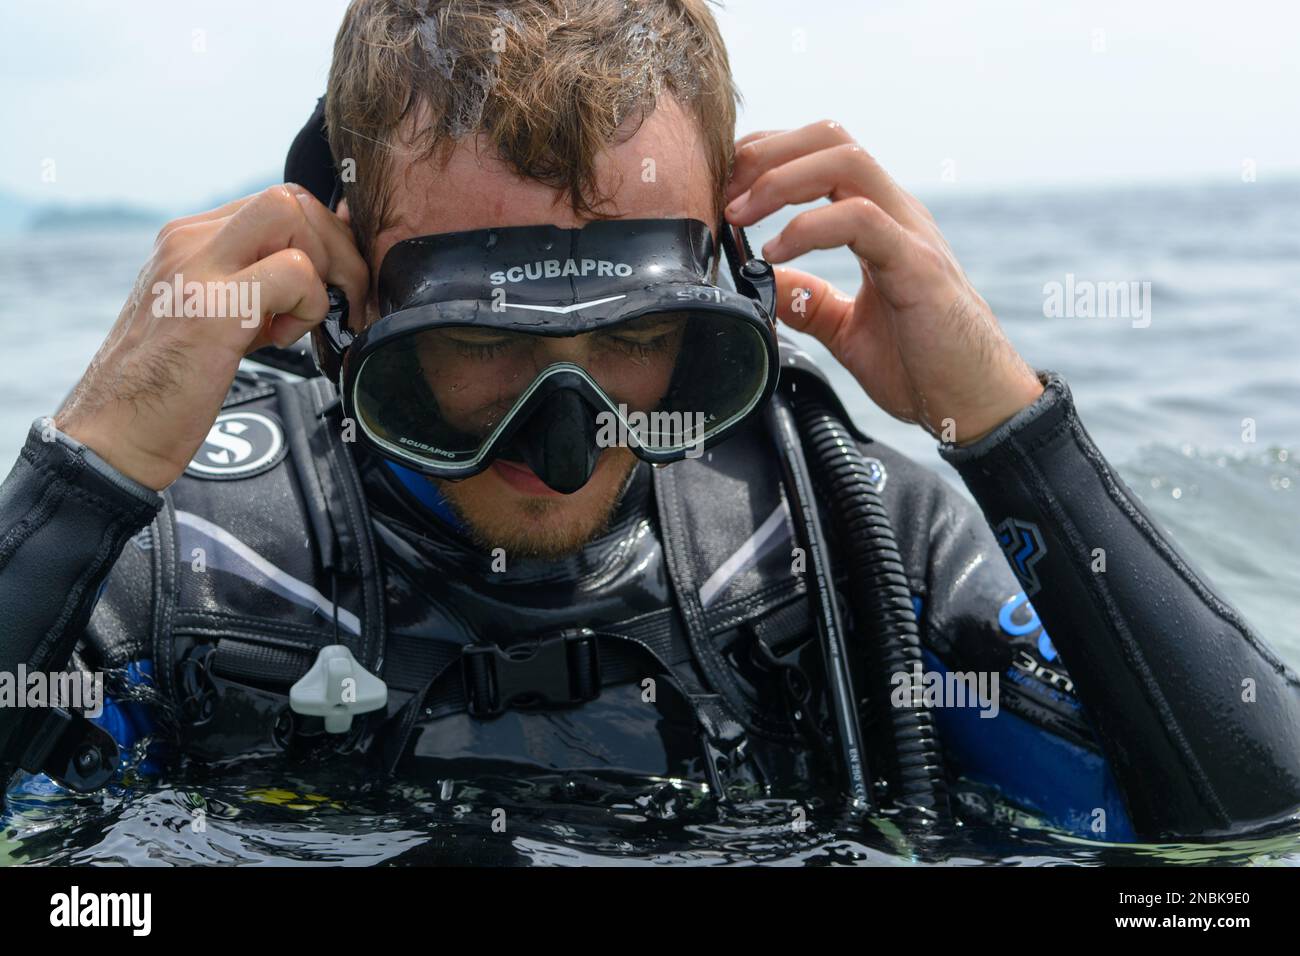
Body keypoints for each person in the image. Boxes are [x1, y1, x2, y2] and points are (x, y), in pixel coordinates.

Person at [1, 0, 1297, 845]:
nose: (565, 437)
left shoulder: (852, 546)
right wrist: (88, 470)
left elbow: (1245, 832)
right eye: (473, 341)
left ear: (726, 291)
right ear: (349, 302)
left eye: (633, 333)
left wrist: (1011, 435)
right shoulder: (200, 561)